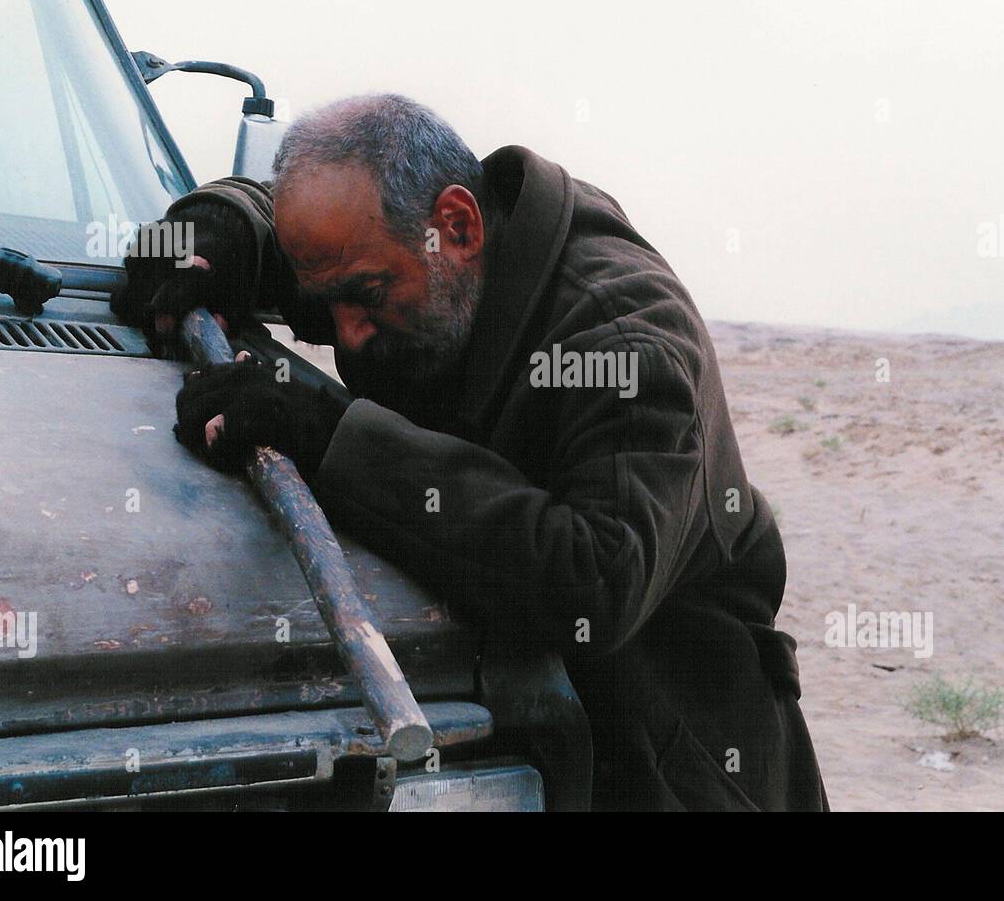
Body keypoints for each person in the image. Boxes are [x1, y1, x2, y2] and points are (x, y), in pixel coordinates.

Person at [112, 93, 828, 811]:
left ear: (457, 226)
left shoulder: (625, 341)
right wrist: (222, 227)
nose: (346, 335)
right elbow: (306, 230)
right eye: (325, 305)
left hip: (680, 751)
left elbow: (595, 575)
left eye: (366, 297)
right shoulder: (412, 252)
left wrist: (333, 439)